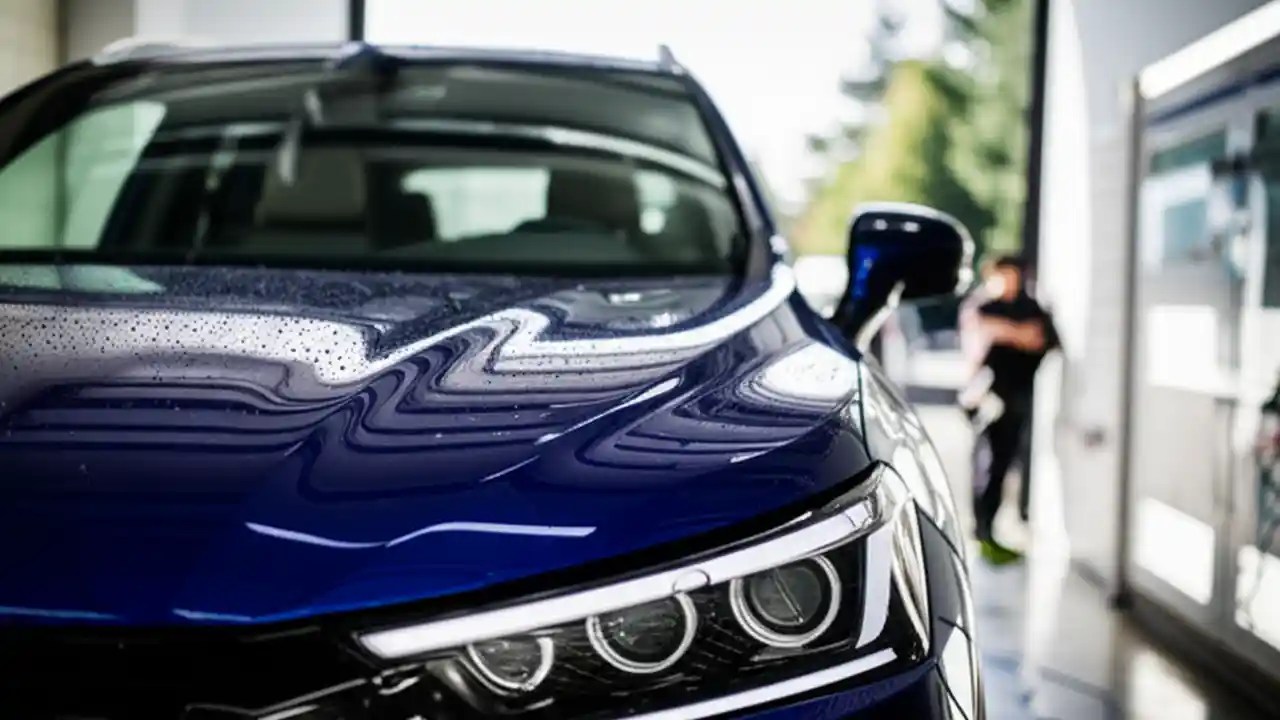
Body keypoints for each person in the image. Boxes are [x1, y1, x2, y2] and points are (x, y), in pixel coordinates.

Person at [958, 255, 1059, 564]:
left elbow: (1042, 339)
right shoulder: (985, 306)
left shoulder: (1030, 307)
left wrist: (1007, 332)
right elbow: (981, 335)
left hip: (1016, 399)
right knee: (984, 464)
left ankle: (989, 526)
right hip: (987, 398)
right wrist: (1016, 333)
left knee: (1002, 465)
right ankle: (982, 529)